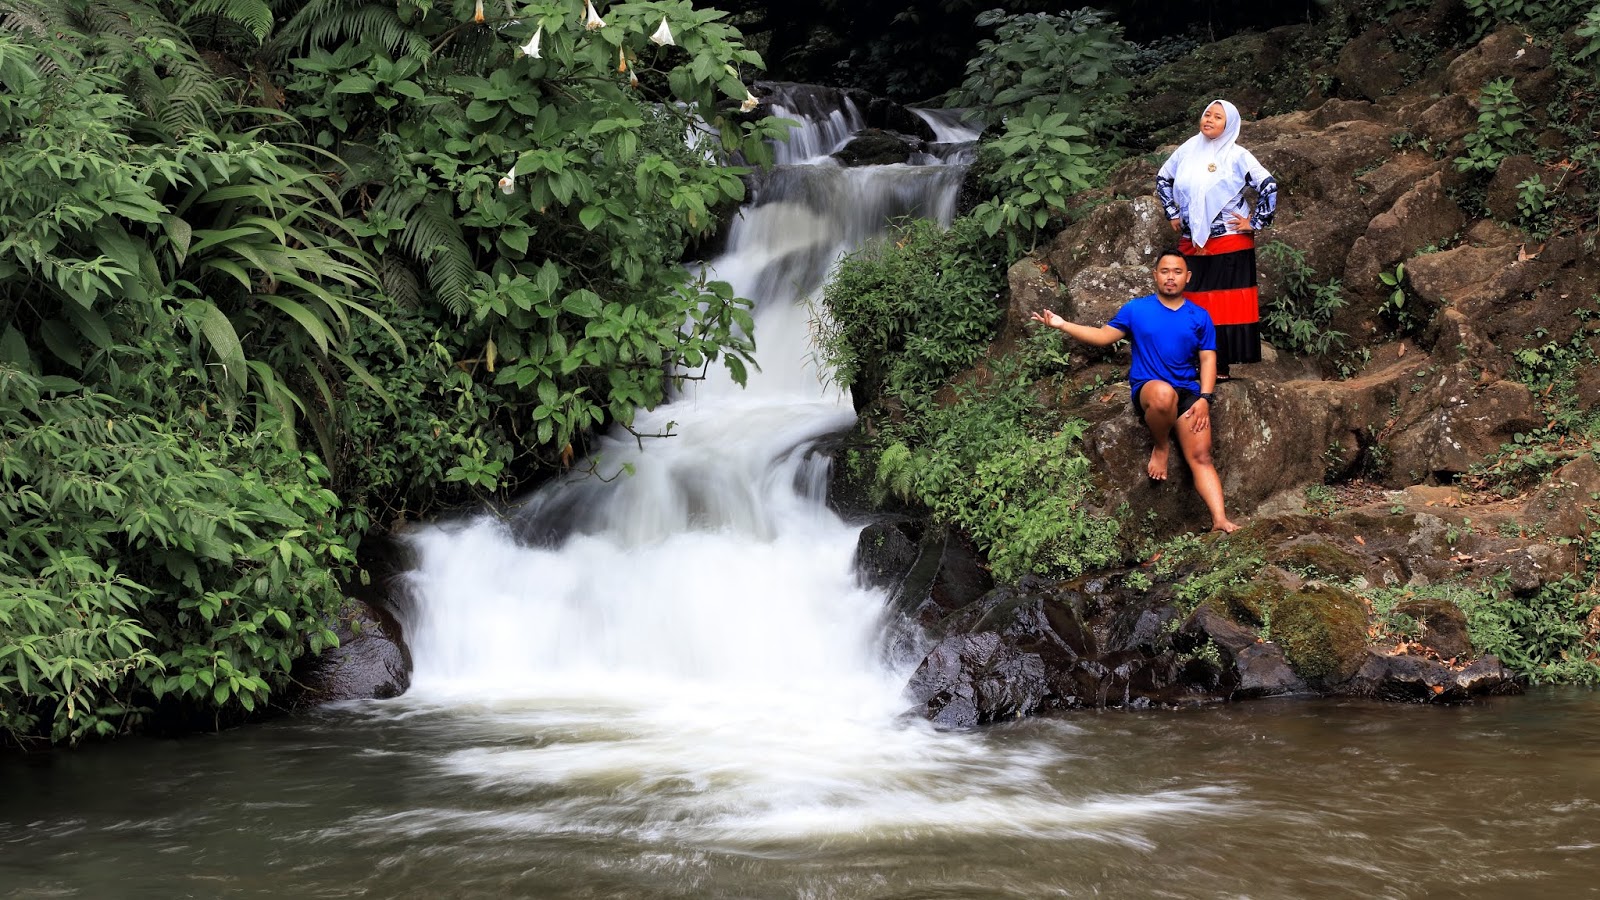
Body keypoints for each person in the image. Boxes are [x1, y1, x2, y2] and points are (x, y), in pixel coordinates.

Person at [1030, 252, 1239, 533]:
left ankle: (1220, 520)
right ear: (1155, 275)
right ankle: (1161, 446)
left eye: (1177, 272)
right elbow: (1103, 336)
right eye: (1164, 271)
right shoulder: (1136, 309)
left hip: (1188, 391)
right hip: (1150, 389)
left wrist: (1205, 398)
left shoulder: (1199, 316)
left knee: (1201, 456)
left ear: (1187, 277)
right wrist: (1062, 324)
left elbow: (1208, 359)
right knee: (1164, 395)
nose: (1170, 277)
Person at [1155, 98, 1278, 380]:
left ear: (1229, 125)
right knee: (1190, 299)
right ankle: (1190, 361)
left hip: (1230, 239)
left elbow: (1269, 185)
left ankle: (1219, 365)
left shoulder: (1237, 155)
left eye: (1217, 117)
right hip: (1192, 240)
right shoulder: (1187, 150)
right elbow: (1163, 179)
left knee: (1225, 303)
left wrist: (1255, 222)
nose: (1209, 119)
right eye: (1207, 114)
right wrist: (1172, 212)